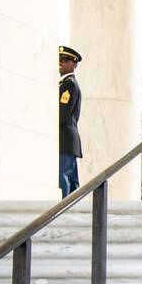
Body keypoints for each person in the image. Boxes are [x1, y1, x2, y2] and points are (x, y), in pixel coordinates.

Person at [59, 46, 83, 199]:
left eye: (65, 60)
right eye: (59, 60)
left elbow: (62, 114)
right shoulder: (65, 84)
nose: (60, 63)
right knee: (72, 181)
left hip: (65, 138)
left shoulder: (69, 84)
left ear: (74, 64)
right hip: (68, 140)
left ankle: (63, 212)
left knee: (64, 178)